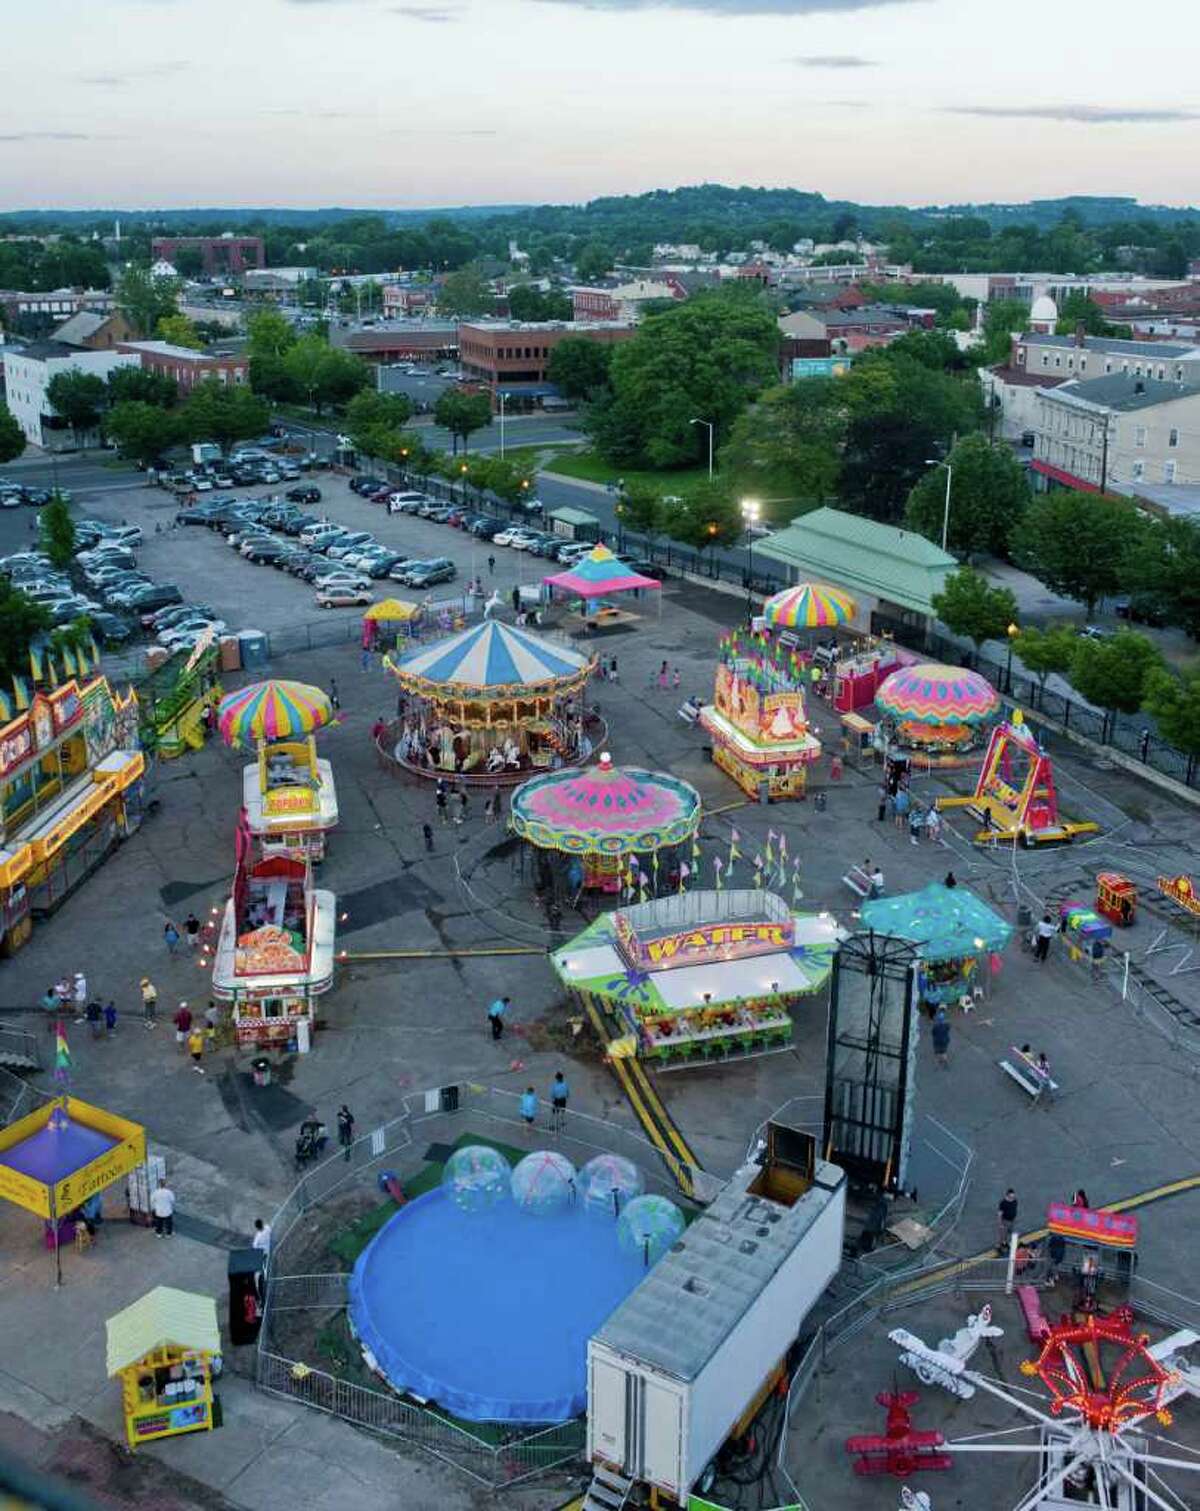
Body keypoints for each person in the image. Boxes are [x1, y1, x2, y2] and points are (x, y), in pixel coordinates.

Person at [997, 1188, 1018, 1254]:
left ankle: (1005, 1243)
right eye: (1010, 1197)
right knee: (1002, 1234)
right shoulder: (1003, 1203)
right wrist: (1000, 1224)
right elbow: (1000, 1214)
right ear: (1007, 1195)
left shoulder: (1015, 1201)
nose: (1012, 1198)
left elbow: (1015, 1208)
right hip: (1005, 1221)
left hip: (1012, 1220)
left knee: (1009, 1233)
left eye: (1013, 1196)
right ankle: (999, 1246)